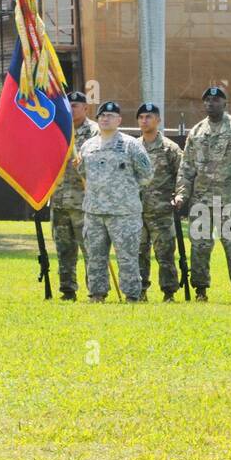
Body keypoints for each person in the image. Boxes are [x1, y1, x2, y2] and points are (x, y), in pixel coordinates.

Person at [172, 86, 231, 304]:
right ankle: (200, 290)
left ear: (225, 103)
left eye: (215, 100)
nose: (210, 104)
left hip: (230, 198)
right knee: (200, 246)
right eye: (206, 100)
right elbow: (186, 168)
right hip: (202, 200)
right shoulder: (196, 132)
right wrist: (181, 196)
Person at [76, 101, 151, 302]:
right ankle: (97, 295)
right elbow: (82, 172)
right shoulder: (87, 146)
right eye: (102, 116)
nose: (105, 119)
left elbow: (146, 174)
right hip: (94, 212)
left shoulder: (131, 145)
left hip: (124, 213)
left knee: (127, 258)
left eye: (110, 116)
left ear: (119, 120)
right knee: (95, 258)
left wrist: (124, 193)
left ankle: (132, 296)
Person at [52, 91, 98, 301]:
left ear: (86, 109)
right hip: (59, 198)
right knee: (64, 248)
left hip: (84, 201)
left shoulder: (95, 132)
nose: (71, 109)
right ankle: (67, 290)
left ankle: (95, 289)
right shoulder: (57, 130)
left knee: (89, 247)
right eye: (68, 105)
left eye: (76, 105)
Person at [135, 102, 183, 302]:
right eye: (141, 117)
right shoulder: (133, 147)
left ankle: (169, 292)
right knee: (139, 253)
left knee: (165, 254)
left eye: (149, 117)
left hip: (161, 210)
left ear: (158, 120)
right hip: (136, 210)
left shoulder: (169, 148)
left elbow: (182, 173)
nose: (144, 121)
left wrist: (180, 195)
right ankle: (140, 290)